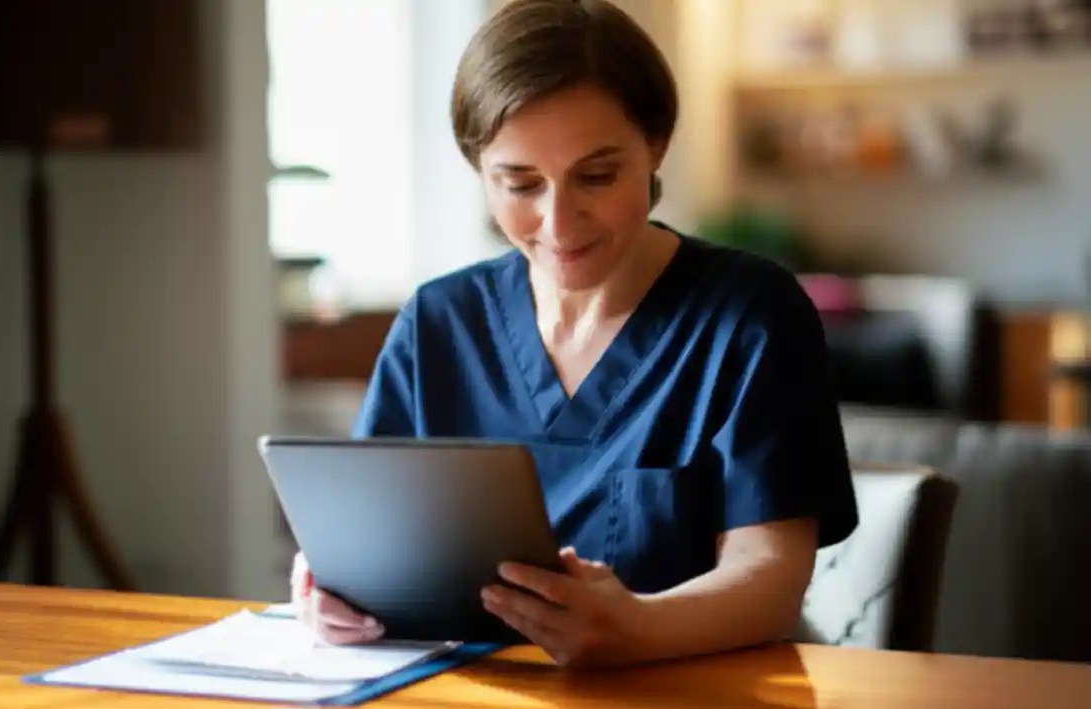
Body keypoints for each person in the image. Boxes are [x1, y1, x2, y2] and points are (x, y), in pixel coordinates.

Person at [290, 0, 858, 667]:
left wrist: (638, 630)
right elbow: (368, 542)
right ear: (479, 170)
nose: (558, 225)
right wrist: (332, 591)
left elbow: (771, 581)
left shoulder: (749, 316)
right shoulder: (439, 324)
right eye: (519, 183)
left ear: (656, 145)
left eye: (596, 175)